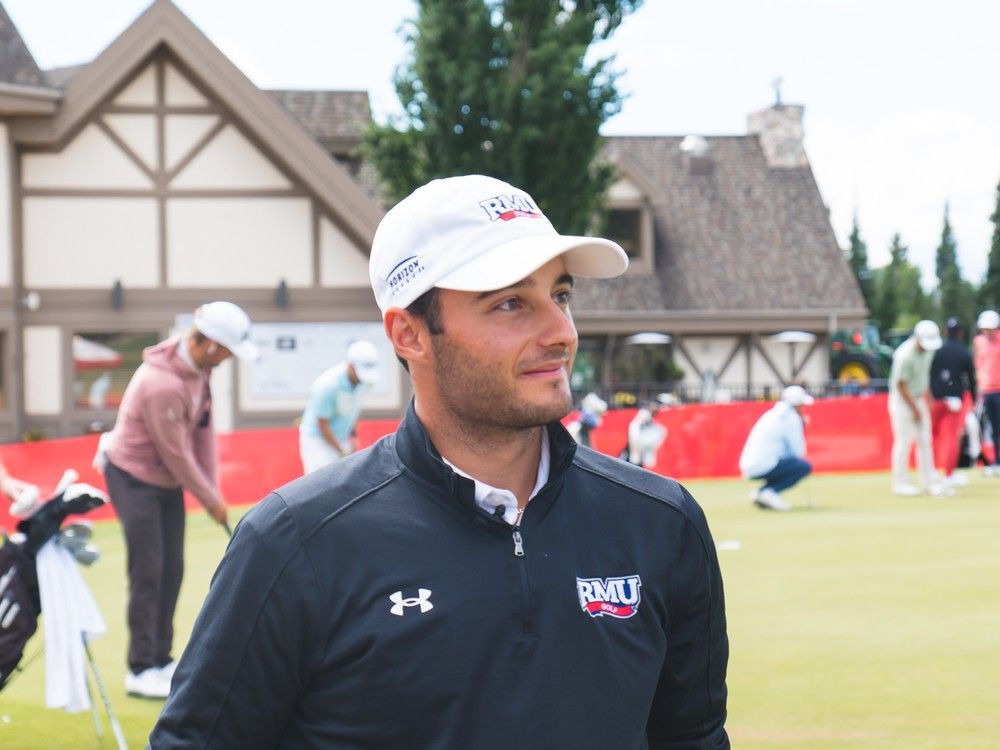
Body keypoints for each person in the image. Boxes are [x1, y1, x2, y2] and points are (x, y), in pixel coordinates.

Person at [151, 175, 729, 748]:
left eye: (561, 295)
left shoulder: (663, 523)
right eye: (510, 303)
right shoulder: (293, 540)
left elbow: (693, 738)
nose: (560, 332)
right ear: (409, 334)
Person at [102, 301, 259, 700]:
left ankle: (160, 659)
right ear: (209, 345)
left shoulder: (199, 371)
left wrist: (215, 489)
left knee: (173, 567)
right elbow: (176, 453)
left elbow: (202, 434)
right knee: (149, 569)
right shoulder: (161, 384)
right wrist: (208, 499)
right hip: (132, 477)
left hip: (166, 478)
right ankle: (139, 668)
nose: (227, 360)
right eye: (226, 351)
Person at [298, 340, 381, 473]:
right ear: (351, 365)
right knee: (321, 483)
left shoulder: (366, 382)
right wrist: (342, 451)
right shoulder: (327, 385)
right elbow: (322, 424)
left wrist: (353, 436)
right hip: (317, 440)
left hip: (342, 437)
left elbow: (354, 408)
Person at [888, 320, 945, 496]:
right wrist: (915, 408)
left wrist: (928, 398)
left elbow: (923, 375)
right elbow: (901, 385)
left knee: (925, 440)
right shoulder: (904, 355)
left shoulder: (929, 351)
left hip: (919, 397)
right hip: (902, 400)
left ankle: (928, 481)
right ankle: (900, 483)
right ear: (917, 338)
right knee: (904, 441)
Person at [738, 385, 814, 512]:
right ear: (797, 405)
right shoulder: (792, 419)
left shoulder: (772, 414)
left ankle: (762, 493)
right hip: (764, 465)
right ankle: (770, 492)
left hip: (750, 465)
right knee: (803, 466)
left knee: (790, 464)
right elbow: (798, 452)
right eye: (802, 404)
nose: (803, 408)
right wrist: (801, 426)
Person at [929, 318, 977, 487]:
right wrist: (975, 399)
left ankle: (932, 472)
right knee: (950, 438)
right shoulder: (964, 352)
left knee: (933, 436)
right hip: (954, 401)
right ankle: (948, 475)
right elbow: (971, 380)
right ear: (961, 333)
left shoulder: (936, 349)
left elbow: (930, 374)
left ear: (945, 331)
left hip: (935, 400)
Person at [973, 309, 1000, 476]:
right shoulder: (978, 341)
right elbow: (978, 366)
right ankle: (996, 462)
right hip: (986, 391)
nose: (987, 332)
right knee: (993, 429)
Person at [627, 398, 668, 468]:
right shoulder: (644, 414)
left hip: (641, 445)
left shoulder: (650, 416)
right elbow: (634, 429)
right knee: (632, 464)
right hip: (636, 443)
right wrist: (634, 447)